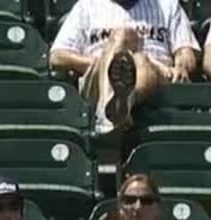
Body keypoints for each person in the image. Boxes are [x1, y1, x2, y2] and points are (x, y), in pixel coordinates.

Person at [49, 0, 200, 133]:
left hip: (156, 77)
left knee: (140, 61)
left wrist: (181, 65)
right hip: (98, 81)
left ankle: (114, 111)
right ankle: (114, 106)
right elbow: (57, 56)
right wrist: (105, 64)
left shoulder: (168, 5)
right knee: (122, 36)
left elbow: (186, 51)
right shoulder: (86, 6)